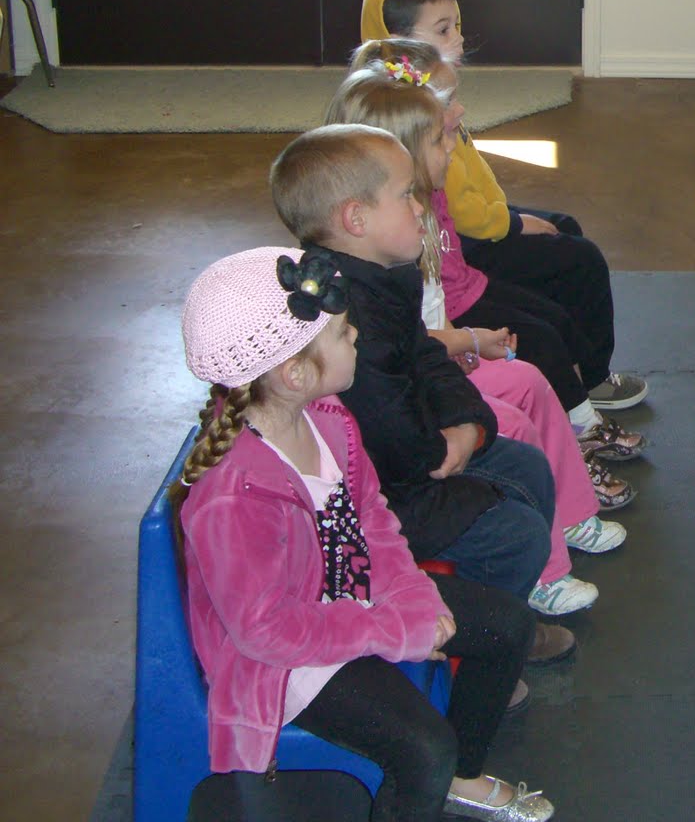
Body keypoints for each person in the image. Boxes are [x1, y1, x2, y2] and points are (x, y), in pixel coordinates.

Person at [175, 245, 556, 821]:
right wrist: (392, 630)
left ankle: (461, 777)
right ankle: (439, 772)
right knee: (424, 750)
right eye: (344, 333)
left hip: (346, 597)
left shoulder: (329, 420)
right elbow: (266, 632)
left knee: (508, 626)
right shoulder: (234, 497)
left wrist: (411, 596)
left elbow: (372, 522)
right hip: (283, 659)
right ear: (295, 371)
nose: (356, 340)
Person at [321, 56, 629, 616]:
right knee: (510, 418)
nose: (454, 144)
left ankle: (572, 513)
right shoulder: (367, 275)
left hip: (442, 365)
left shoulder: (407, 225)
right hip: (424, 405)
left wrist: (465, 349)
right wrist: (466, 356)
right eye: (443, 140)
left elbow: (422, 342)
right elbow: (403, 365)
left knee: (531, 379)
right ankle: (544, 573)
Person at [268, 122, 576, 624]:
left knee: (528, 468)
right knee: (515, 535)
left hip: (420, 455)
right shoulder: (344, 317)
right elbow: (390, 435)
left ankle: (512, 610)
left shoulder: (386, 277)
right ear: (356, 218)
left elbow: (429, 358)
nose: (420, 207)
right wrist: (449, 445)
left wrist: (468, 424)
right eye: (404, 195)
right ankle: (484, 636)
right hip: (379, 492)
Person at [344, 38, 645, 503]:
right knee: (539, 339)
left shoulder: (426, 188)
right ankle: (575, 438)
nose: (457, 128)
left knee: (550, 320)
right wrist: (466, 341)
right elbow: (416, 329)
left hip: (461, 299)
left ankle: (575, 426)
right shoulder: (397, 234)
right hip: (451, 328)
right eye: (444, 129)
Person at [359, 0, 648, 414]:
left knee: (564, 231)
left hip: (471, 228)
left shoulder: (438, 96)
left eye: (456, 25)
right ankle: (587, 378)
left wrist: (508, 212)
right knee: (577, 258)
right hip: (469, 242)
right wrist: (512, 222)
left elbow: (473, 179)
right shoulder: (415, 120)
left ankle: (577, 365)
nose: (458, 38)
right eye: (442, 30)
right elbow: (459, 208)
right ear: (399, 42)